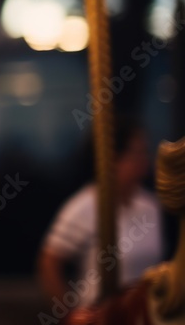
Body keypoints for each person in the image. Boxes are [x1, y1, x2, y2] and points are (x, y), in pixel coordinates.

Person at [38, 119, 164, 309]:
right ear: (112, 158)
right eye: (136, 153)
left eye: (145, 151)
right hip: (100, 318)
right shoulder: (85, 206)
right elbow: (49, 263)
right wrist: (69, 316)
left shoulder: (150, 205)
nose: (144, 160)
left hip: (145, 319)